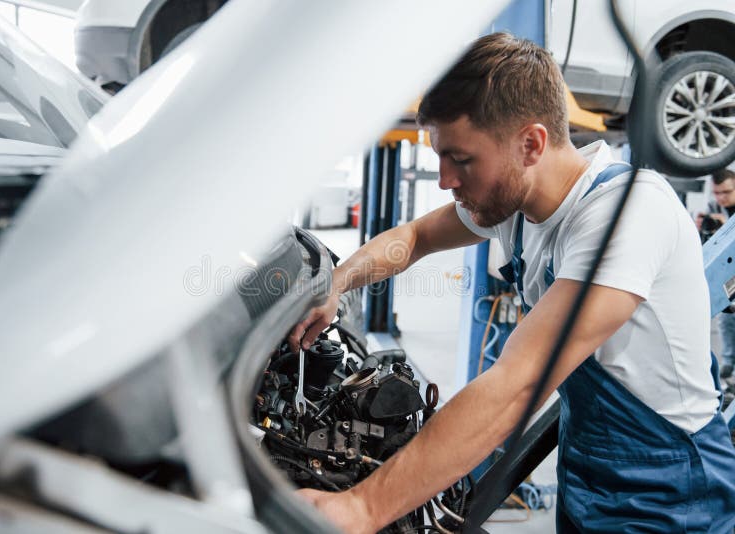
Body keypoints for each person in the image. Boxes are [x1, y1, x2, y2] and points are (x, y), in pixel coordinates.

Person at [287, 32, 735, 533]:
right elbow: (415, 237)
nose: (444, 180)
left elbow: (517, 384)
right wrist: (338, 281)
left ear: (531, 144)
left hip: (673, 495)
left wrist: (363, 508)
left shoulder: (627, 215)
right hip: (588, 470)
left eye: (461, 159)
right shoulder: (514, 205)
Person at [697, 169, 735, 379]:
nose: (721, 198)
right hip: (728, 275)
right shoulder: (713, 208)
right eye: (717, 193)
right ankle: (728, 363)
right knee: (726, 317)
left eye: (726, 192)